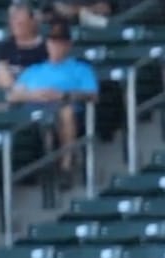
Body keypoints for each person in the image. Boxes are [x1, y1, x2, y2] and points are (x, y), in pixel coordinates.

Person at [7, 18, 98, 181]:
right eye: (52, 41)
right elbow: (13, 95)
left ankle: (66, 165)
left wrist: (63, 95)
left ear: (68, 45)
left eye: (60, 42)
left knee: (66, 112)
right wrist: (35, 95)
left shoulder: (80, 68)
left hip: (63, 106)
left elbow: (92, 95)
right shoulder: (34, 70)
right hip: (33, 108)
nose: (56, 46)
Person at [0, 1, 49, 89]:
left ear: (32, 21)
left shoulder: (46, 47)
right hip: (7, 95)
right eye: (13, 19)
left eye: (19, 21)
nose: (15, 23)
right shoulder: (5, 47)